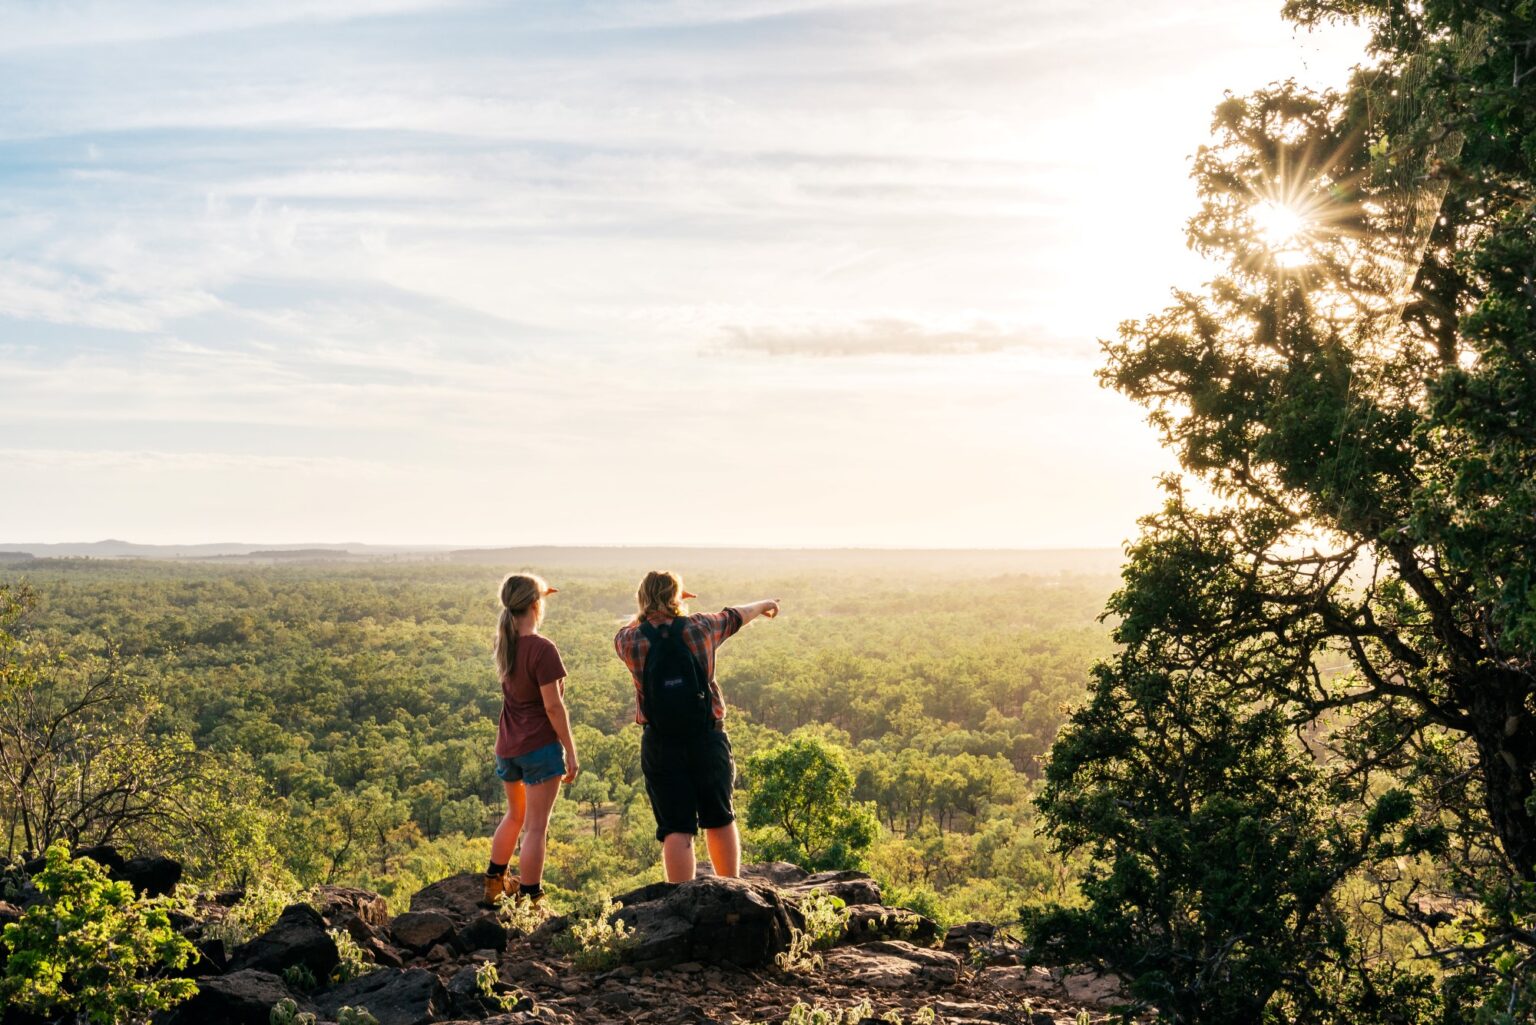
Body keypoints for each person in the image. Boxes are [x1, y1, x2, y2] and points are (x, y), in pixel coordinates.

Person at [613, 570, 779, 883]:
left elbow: (635, 626)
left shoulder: (628, 640)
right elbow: (735, 615)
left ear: (642, 599)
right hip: (707, 736)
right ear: (676, 597)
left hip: (661, 743)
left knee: (676, 828)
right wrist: (764, 604)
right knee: (719, 817)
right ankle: (731, 890)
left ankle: (680, 900)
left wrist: (654, 608)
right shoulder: (700, 627)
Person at [484, 572, 579, 906]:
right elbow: (553, 706)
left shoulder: (504, 642)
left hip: (507, 747)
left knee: (514, 816)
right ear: (536, 605)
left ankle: (494, 885)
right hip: (539, 748)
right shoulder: (543, 649)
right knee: (536, 827)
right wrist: (571, 750)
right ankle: (530, 900)